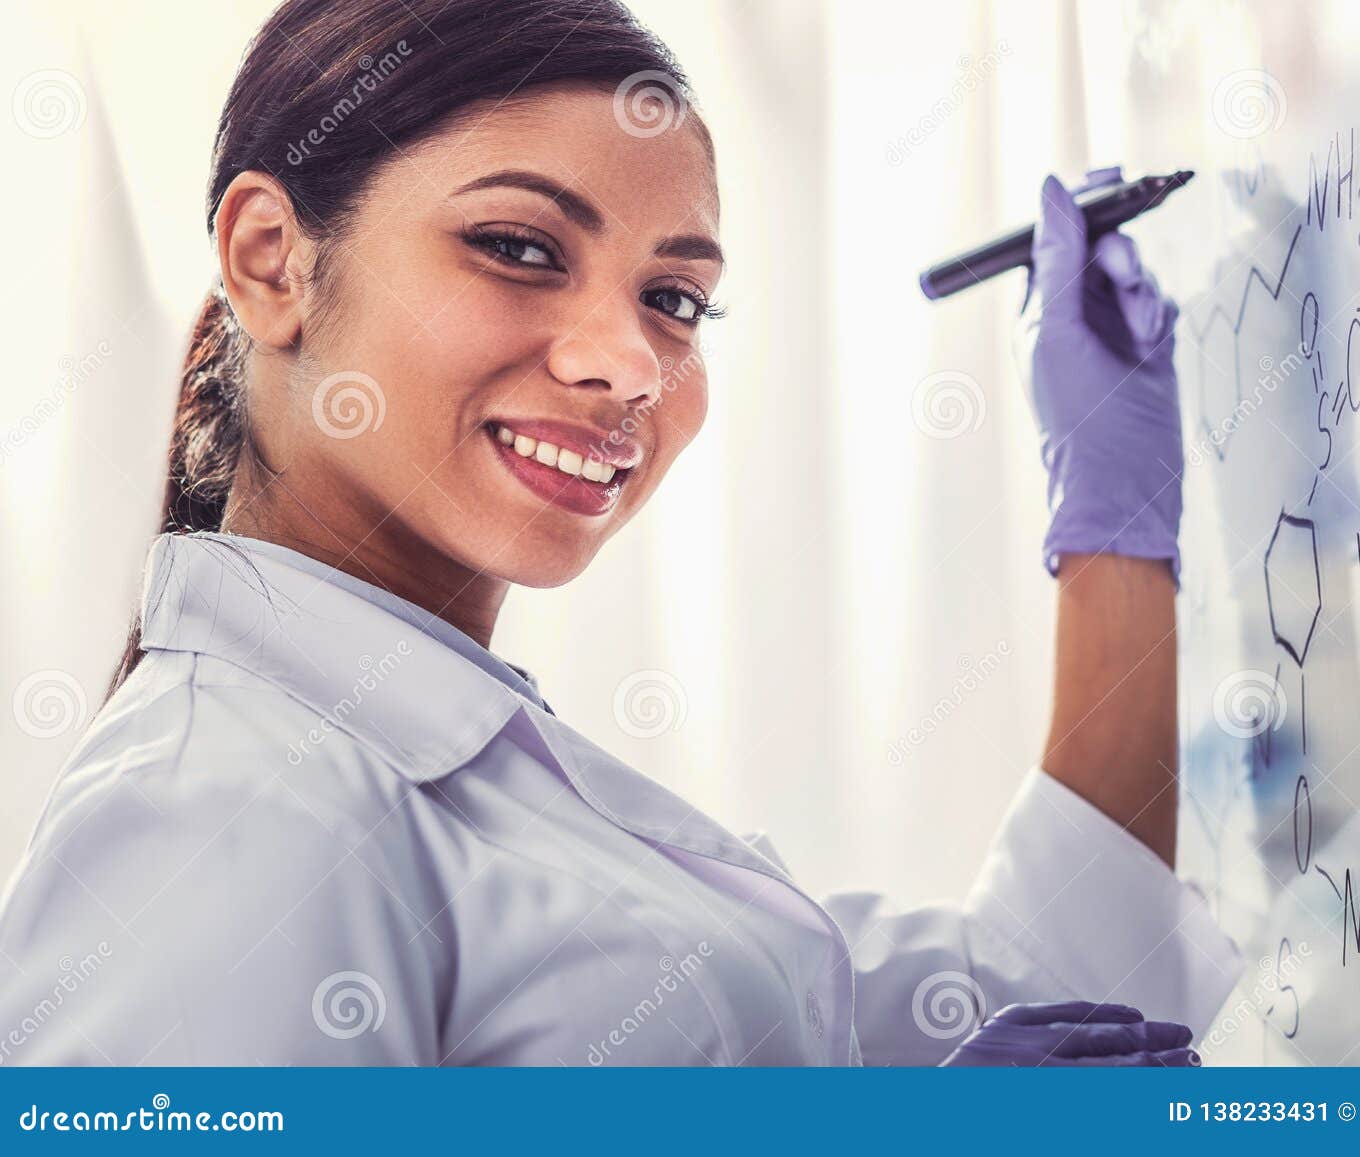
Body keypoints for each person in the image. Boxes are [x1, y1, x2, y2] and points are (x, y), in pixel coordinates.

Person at [0, 0, 1240, 1066]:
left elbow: (1067, 991)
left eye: (673, 298)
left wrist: (1116, 522)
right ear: (271, 260)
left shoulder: (470, 778)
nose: (629, 362)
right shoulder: (218, 809)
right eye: (519, 247)